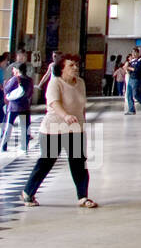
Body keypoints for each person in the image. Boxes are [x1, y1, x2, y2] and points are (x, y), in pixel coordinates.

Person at [20, 55, 97, 208]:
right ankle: (28, 192)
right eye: (71, 65)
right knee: (47, 161)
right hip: (53, 128)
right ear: (61, 69)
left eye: (76, 65)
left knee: (78, 162)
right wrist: (66, 116)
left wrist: (83, 123)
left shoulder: (80, 83)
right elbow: (54, 103)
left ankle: (83, 197)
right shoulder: (55, 82)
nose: (75, 67)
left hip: (75, 128)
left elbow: (81, 106)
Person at [1, 61, 34, 153]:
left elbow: (6, 89)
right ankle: (24, 146)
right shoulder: (29, 80)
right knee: (25, 127)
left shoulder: (15, 79)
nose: (12, 70)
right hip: (25, 106)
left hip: (13, 107)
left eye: (13, 68)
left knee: (9, 126)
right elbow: (31, 93)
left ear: (17, 70)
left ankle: (4, 146)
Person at [123, 47, 141, 114]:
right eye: (133, 52)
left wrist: (128, 67)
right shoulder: (131, 61)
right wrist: (127, 65)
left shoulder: (140, 60)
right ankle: (131, 110)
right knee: (129, 95)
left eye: (135, 52)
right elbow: (125, 68)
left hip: (136, 79)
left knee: (135, 95)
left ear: (138, 53)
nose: (134, 54)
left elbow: (136, 69)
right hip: (131, 78)